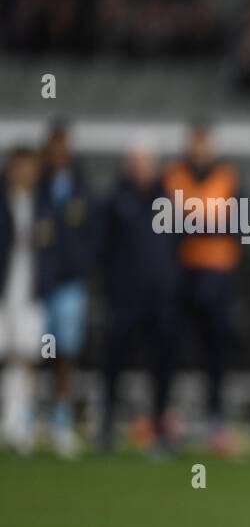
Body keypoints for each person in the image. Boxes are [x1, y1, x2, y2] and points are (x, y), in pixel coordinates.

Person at [163, 121, 243, 453]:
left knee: (215, 353)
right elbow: (167, 224)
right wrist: (207, 220)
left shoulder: (228, 176)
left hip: (216, 275)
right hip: (181, 274)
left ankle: (215, 421)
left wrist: (195, 220)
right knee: (174, 350)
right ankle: (171, 418)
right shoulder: (174, 175)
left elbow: (241, 225)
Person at [99, 142, 179, 453]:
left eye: (148, 161)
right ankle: (107, 424)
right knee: (114, 361)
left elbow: (179, 246)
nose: (143, 168)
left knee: (161, 364)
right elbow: (102, 247)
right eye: (137, 161)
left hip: (160, 297)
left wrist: (172, 283)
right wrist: (112, 286)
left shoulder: (170, 199)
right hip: (125, 296)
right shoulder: (116, 199)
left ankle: (160, 427)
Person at [38, 122, 95, 457]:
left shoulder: (80, 186)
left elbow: (91, 232)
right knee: (34, 351)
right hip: (39, 283)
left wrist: (81, 264)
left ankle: (61, 417)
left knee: (66, 351)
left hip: (70, 282)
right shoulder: (37, 185)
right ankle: (28, 414)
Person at [0, 147, 53, 454]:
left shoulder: (43, 205)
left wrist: (47, 279)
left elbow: (55, 247)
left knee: (26, 355)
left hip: (30, 291)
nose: (25, 173)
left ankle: (20, 421)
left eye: (30, 167)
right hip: (4, 288)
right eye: (20, 167)